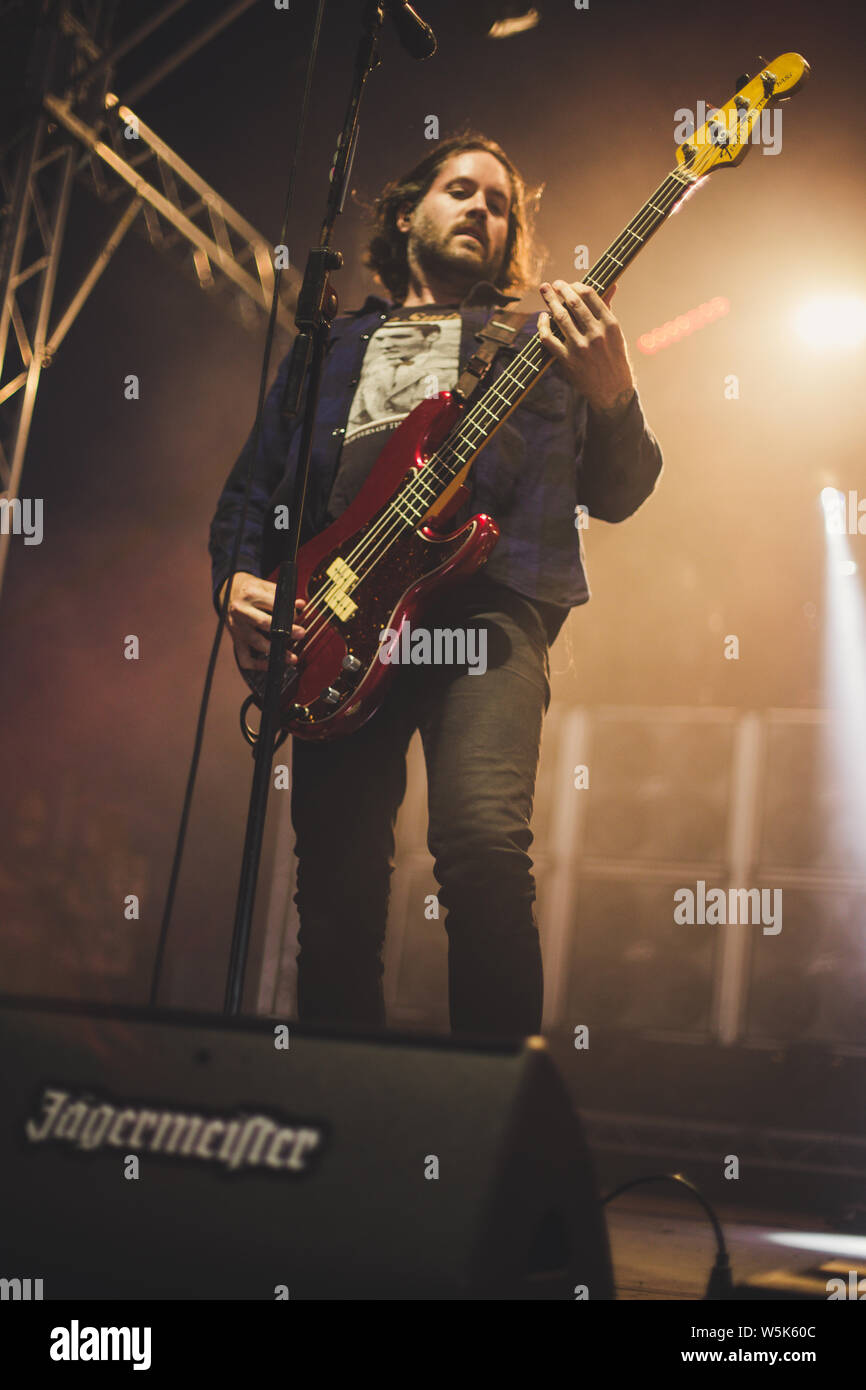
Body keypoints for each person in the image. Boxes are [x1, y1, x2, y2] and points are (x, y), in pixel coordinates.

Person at [209, 132, 663, 1041]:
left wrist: (613, 393)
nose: (482, 211)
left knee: (483, 853)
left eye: (500, 205)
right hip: (335, 619)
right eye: (461, 190)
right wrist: (237, 588)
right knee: (333, 894)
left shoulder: (541, 342)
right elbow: (254, 492)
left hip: (488, 611)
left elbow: (621, 492)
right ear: (406, 212)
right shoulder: (329, 347)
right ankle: (342, 1127)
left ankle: (491, 1125)